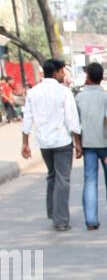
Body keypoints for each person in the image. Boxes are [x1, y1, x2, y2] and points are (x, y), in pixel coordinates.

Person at [20, 58, 82, 231]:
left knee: (52, 175)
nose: (64, 74)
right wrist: (78, 143)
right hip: (62, 141)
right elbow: (72, 120)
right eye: (62, 71)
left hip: (44, 142)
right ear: (55, 73)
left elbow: (27, 120)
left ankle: (53, 211)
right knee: (63, 179)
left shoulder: (33, 92)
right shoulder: (64, 92)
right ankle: (61, 219)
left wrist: (25, 143)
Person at [74, 60, 107, 229]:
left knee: (90, 181)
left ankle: (91, 219)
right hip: (105, 144)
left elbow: (75, 125)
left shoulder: (79, 97)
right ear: (102, 78)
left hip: (88, 144)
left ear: (87, 77)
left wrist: (78, 145)